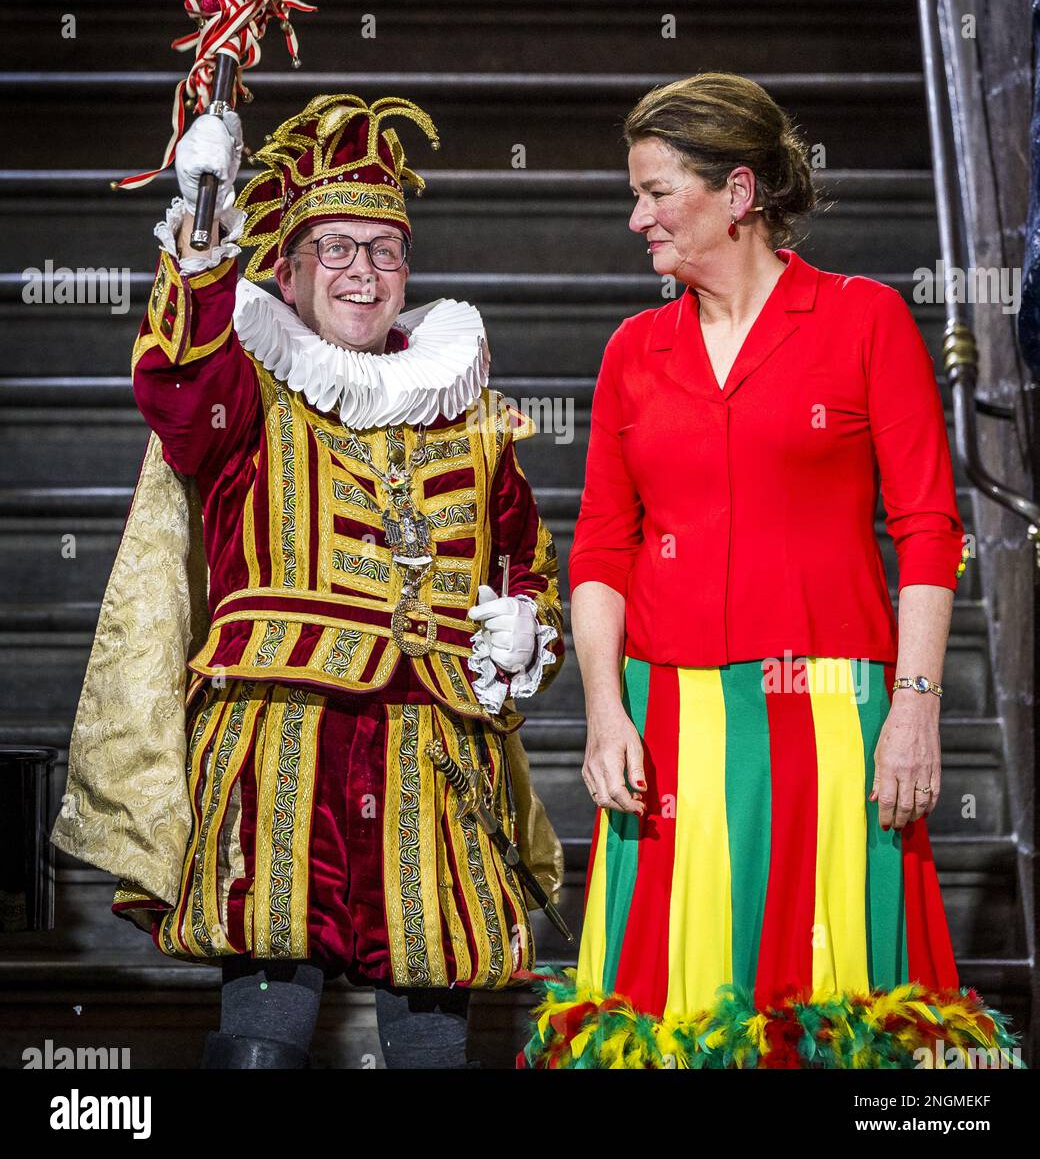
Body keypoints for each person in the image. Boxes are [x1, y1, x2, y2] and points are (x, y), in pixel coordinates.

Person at [52, 93, 565, 1069]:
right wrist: (202, 227)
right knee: (265, 1027)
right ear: (284, 271)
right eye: (334, 248)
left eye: (382, 250)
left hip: (432, 746)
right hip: (278, 736)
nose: (361, 272)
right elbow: (178, 388)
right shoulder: (247, 380)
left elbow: (521, 556)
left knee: (431, 1038)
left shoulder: (469, 405)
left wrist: (522, 627)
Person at [521, 72, 1023, 1069]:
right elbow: (600, 549)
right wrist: (602, 711)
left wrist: (914, 708)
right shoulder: (631, 349)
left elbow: (926, 528)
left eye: (657, 192)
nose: (636, 218)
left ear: (737, 193)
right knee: (671, 1012)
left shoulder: (862, 319)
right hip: (665, 724)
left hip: (830, 717)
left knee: (833, 1010)